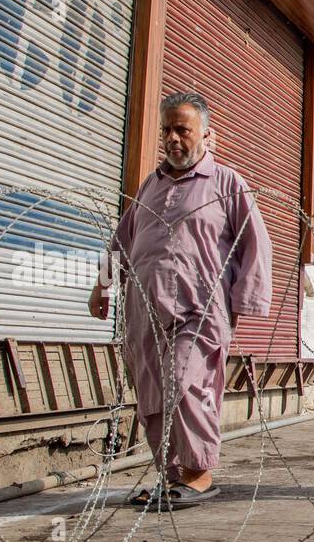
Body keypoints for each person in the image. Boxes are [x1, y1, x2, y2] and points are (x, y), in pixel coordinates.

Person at [89, 92, 272, 507]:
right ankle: (171, 476)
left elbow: (256, 245)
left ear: (207, 135)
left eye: (182, 129)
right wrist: (102, 286)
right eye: (167, 129)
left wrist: (245, 301)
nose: (173, 138)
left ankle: (199, 472)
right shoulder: (151, 186)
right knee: (153, 392)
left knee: (185, 383)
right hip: (145, 311)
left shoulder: (226, 184)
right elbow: (122, 241)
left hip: (200, 310)